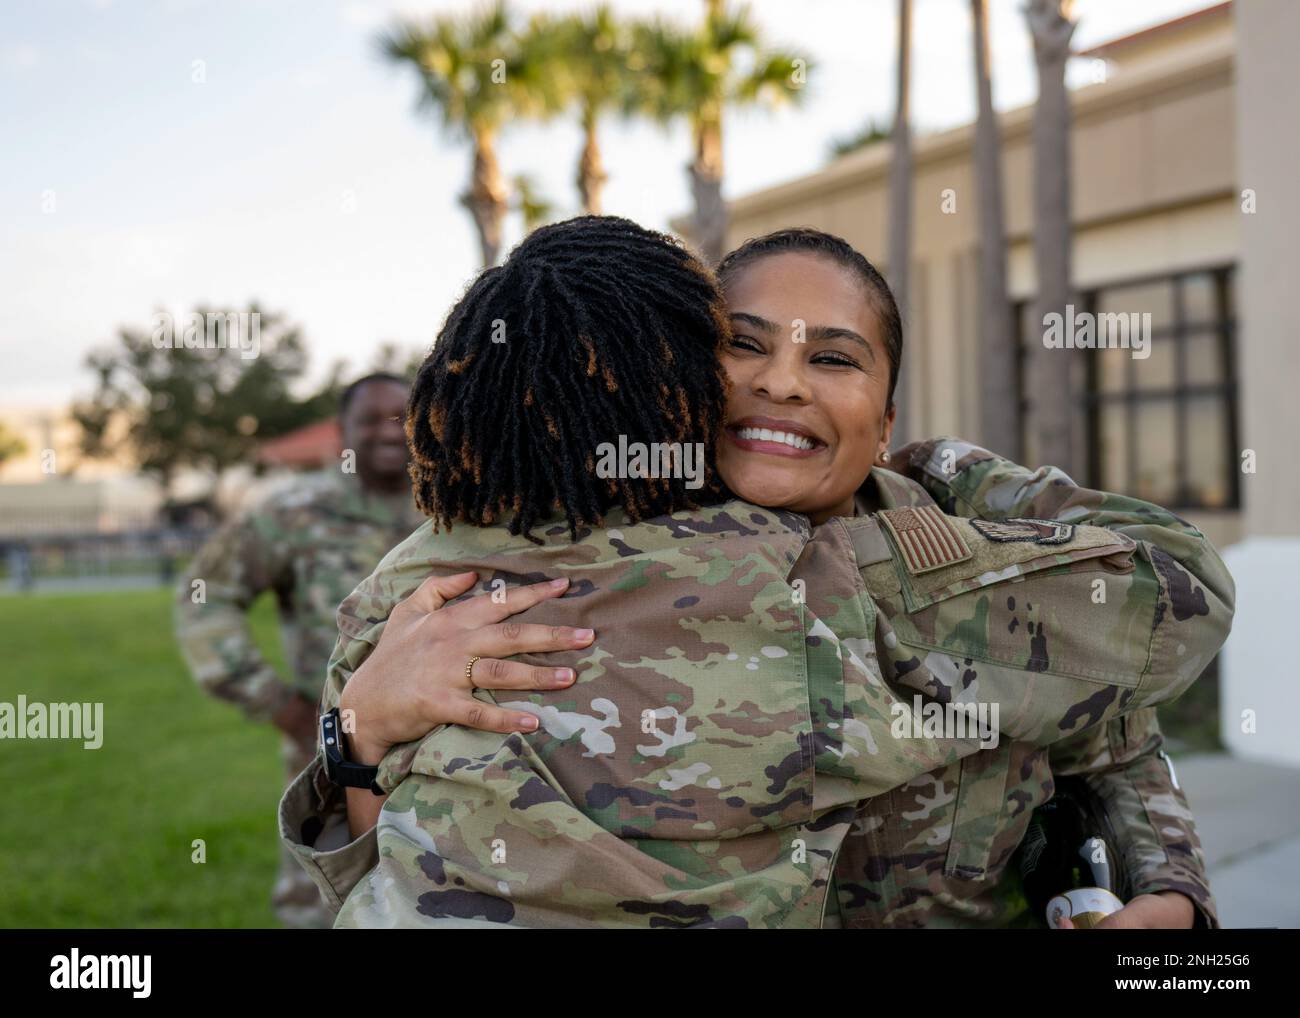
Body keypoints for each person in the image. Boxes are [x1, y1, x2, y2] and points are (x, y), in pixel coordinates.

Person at [278, 217, 1232, 928]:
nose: (783, 380)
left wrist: (1172, 892)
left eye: (833, 356)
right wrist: (355, 729)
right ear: (677, 374)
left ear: (885, 418)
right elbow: (379, 858)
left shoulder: (962, 544)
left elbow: (1114, 738)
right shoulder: (504, 583)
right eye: (745, 343)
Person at [176, 372, 423, 928]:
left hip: (445, 749)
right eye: (369, 418)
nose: (388, 432)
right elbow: (203, 599)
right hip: (332, 755)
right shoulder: (294, 513)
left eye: (400, 417)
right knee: (324, 900)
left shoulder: (459, 508)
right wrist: (274, 702)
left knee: (437, 895)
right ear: (342, 433)